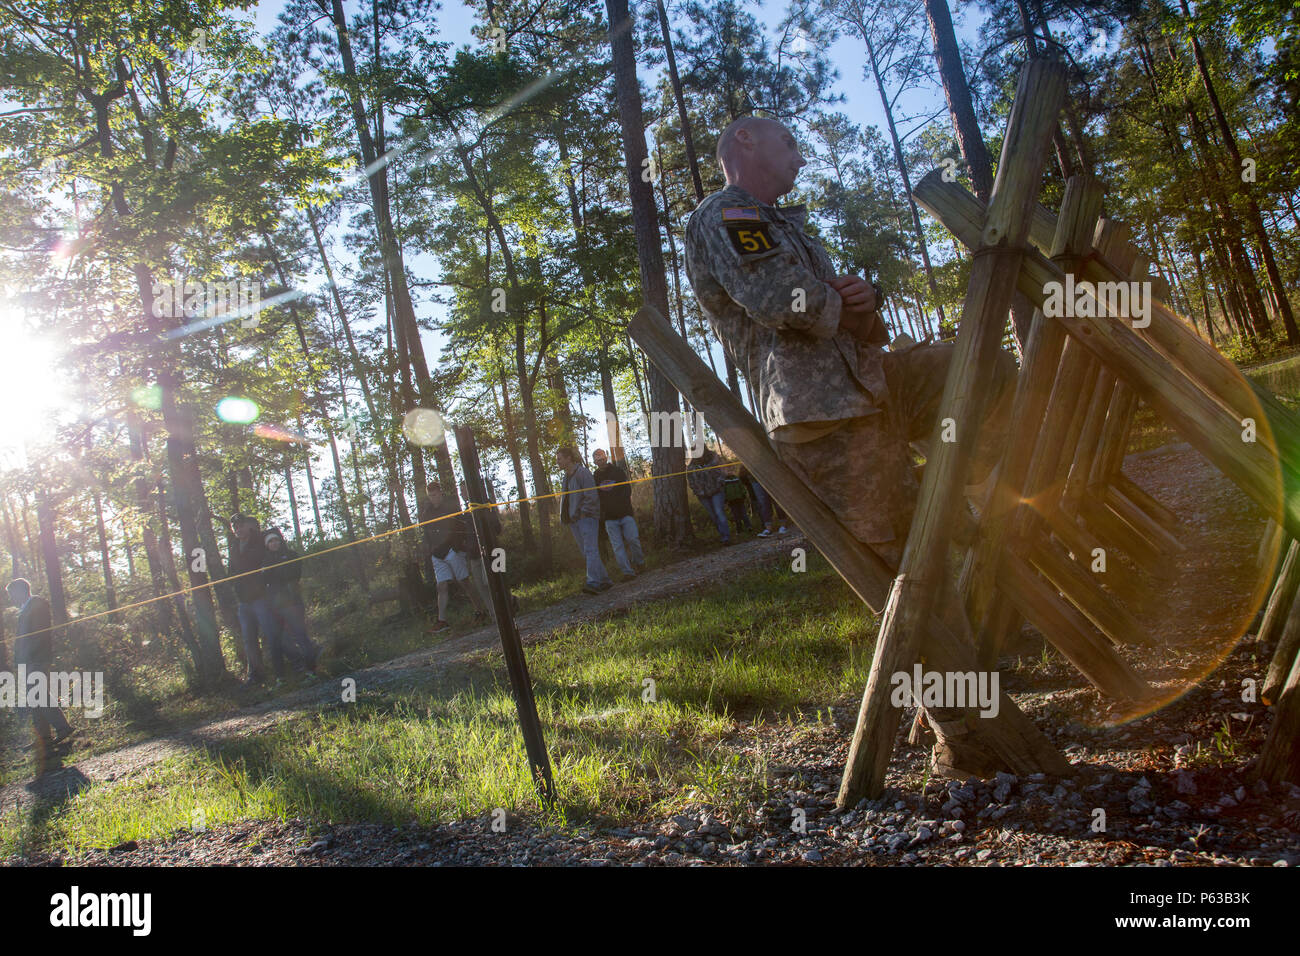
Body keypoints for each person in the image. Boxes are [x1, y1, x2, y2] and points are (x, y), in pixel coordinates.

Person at [683, 115, 1015, 569]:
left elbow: (831, 307)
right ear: (745, 138)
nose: (800, 158)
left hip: (872, 382)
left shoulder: (787, 225)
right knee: (907, 551)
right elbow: (780, 298)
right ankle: (951, 628)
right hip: (821, 414)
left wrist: (865, 298)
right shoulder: (727, 213)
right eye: (789, 143)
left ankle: (983, 495)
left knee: (983, 367)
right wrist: (841, 301)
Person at [7, 578, 73, 766]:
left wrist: (28, 655)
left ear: (20, 591)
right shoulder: (26, 608)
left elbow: (39, 634)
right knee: (34, 697)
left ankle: (62, 727)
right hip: (29, 660)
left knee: (38, 694)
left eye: (11, 594)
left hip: (37, 658)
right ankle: (43, 738)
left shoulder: (37, 604)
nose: (10, 598)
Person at [419, 483, 488, 632]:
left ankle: (480, 611)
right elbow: (425, 533)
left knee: (464, 582)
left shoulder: (451, 507)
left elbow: (462, 528)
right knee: (441, 586)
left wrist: (458, 547)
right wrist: (429, 549)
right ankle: (442, 621)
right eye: (430, 496)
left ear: (441, 493)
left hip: (452, 551)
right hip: (437, 555)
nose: (433, 498)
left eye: (435, 495)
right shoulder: (426, 512)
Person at [228, 513, 281, 686]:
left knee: (271, 633)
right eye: (235, 527)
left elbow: (273, 548)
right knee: (249, 639)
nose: (238, 529)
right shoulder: (234, 546)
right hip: (243, 600)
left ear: (247, 526)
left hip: (260, 597)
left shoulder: (259, 540)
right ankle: (256, 675)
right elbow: (232, 569)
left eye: (241, 525)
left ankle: (281, 671)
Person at [261, 526, 320, 677]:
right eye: (270, 541)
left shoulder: (291, 555)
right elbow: (264, 581)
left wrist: (274, 573)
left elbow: (292, 574)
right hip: (276, 606)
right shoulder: (265, 561)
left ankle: (312, 670)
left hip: (293, 603)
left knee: (300, 635)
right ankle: (296, 670)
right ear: (266, 545)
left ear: (280, 541)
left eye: (276, 540)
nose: (274, 543)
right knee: (280, 639)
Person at [557, 446, 613, 594]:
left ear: (569, 458)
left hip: (586, 518)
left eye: (560, 459)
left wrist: (582, 513)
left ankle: (593, 582)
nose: (558, 462)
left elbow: (591, 496)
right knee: (586, 551)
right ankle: (605, 580)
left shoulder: (583, 473)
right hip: (573, 521)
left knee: (590, 549)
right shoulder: (566, 477)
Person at [592, 448, 645, 581]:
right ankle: (627, 572)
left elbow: (627, 489)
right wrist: (602, 512)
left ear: (606, 457)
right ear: (594, 461)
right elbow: (595, 497)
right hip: (609, 518)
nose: (600, 460)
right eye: (597, 459)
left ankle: (640, 564)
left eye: (602, 457)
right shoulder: (595, 477)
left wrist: (622, 504)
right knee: (617, 546)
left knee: (633, 539)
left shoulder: (617, 471)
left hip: (625, 513)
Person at [687, 446, 731, 545]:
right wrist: (697, 490)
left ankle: (726, 537)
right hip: (702, 494)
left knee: (719, 512)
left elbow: (723, 471)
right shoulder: (691, 466)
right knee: (713, 515)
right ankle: (722, 535)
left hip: (716, 491)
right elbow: (691, 480)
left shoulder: (714, 458)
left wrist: (720, 483)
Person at [737, 464, 776, 538]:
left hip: (767, 474)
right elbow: (742, 477)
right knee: (763, 504)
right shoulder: (744, 465)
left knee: (775, 500)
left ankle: (783, 524)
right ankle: (768, 528)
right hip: (754, 480)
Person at [721, 468, 752, 534]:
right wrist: (725, 499)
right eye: (728, 470)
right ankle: (739, 529)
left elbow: (742, 487)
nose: (729, 472)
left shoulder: (737, 479)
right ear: (724, 471)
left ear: (734, 471)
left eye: (731, 470)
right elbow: (724, 491)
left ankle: (748, 526)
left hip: (740, 499)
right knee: (736, 516)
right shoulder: (724, 481)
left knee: (744, 514)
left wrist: (744, 494)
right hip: (731, 501)